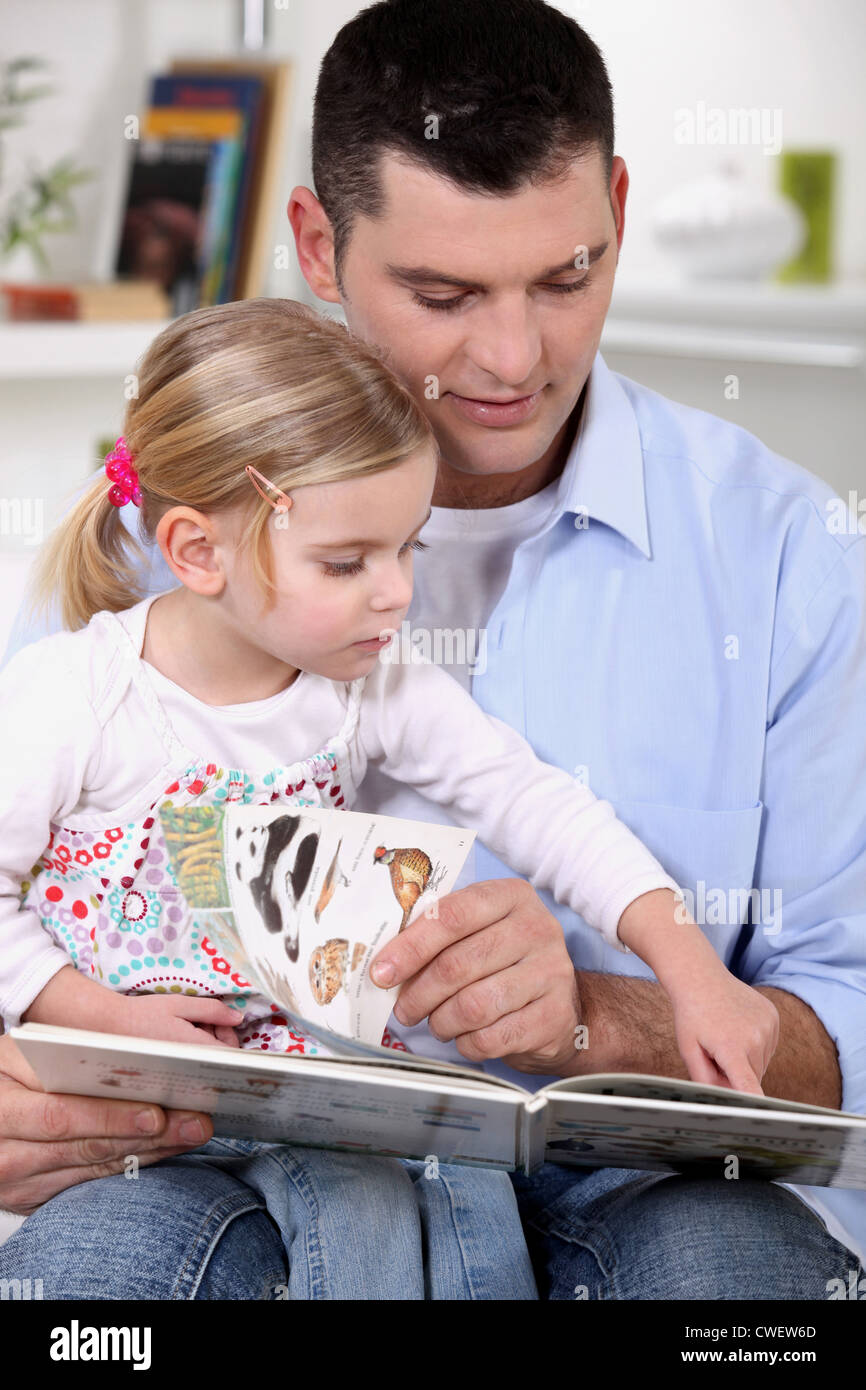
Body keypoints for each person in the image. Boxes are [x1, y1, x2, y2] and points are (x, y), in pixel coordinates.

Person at [1, 0, 864, 1299]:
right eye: (442, 293)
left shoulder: (787, 551)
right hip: (211, 1145)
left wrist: (602, 1009)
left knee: (736, 1275)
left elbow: (843, 1004)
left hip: (626, 1171)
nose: (512, 358)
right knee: (92, 1270)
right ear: (316, 244)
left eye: (566, 277)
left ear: (618, 209)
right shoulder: (151, 557)